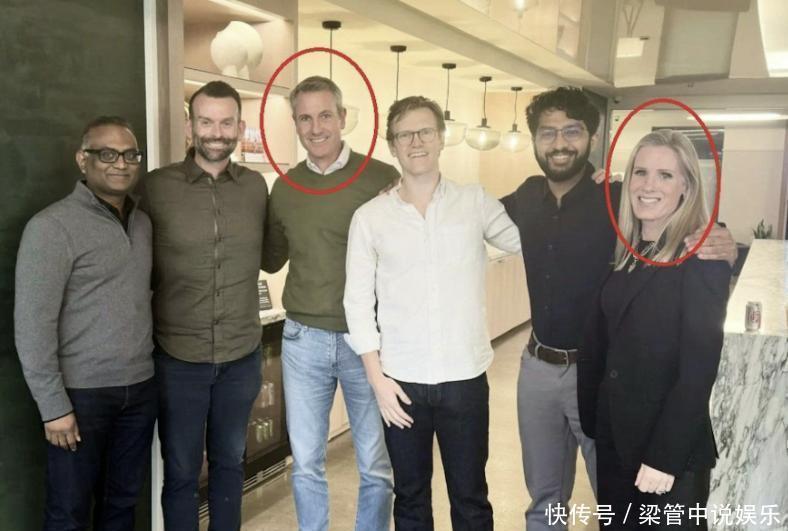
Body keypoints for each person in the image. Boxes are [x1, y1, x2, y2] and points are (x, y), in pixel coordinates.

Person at [500, 87, 737, 531]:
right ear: (534, 140)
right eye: (547, 132)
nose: (559, 143)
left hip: (602, 383)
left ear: (592, 139)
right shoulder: (530, 198)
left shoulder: (613, 196)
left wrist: (724, 243)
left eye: (572, 131)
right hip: (546, 371)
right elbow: (465, 215)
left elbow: (698, 364)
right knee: (552, 500)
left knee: (623, 505)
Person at [344, 95, 521, 530]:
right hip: (400, 382)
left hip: (464, 378)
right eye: (405, 135)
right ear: (392, 146)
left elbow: (527, 240)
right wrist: (377, 381)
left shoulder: (474, 202)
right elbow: (357, 301)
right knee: (410, 498)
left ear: (441, 138)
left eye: (425, 131)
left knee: (471, 497)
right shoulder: (370, 217)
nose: (416, 142)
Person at [262, 75, 398, 531]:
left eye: (325, 115)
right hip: (303, 340)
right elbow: (271, 256)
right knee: (305, 463)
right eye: (305, 118)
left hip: (368, 343)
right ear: (295, 123)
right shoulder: (284, 188)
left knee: (375, 465)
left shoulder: (381, 178)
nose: (316, 127)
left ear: (342, 117)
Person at [578, 129, 731, 529]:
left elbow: (699, 369)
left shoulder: (701, 255)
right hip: (615, 439)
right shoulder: (626, 250)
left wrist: (665, 456)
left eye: (665, 175)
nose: (648, 185)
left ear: (686, 187)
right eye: (640, 172)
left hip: (665, 454)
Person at [14, 116, 156, 530]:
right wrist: (54, 407)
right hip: (80, 397)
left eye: (130, 155)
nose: (121, 164)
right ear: (82, 159)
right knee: (69, 513)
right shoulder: (51, 227)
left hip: (139, 391)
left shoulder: (143, 223)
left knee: (122, 506)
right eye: (107, 154)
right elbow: (32, 326)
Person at [138, 80, 267, 531]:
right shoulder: (156, 188)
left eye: (226, 123)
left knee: (231, 464)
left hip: (240, 357)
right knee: (180, 472)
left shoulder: (256, 188)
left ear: (240, 127)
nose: (217, 132)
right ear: (191, 126)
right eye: (207, 122)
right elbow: (135, 265)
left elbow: (271, 254)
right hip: (178, 360)